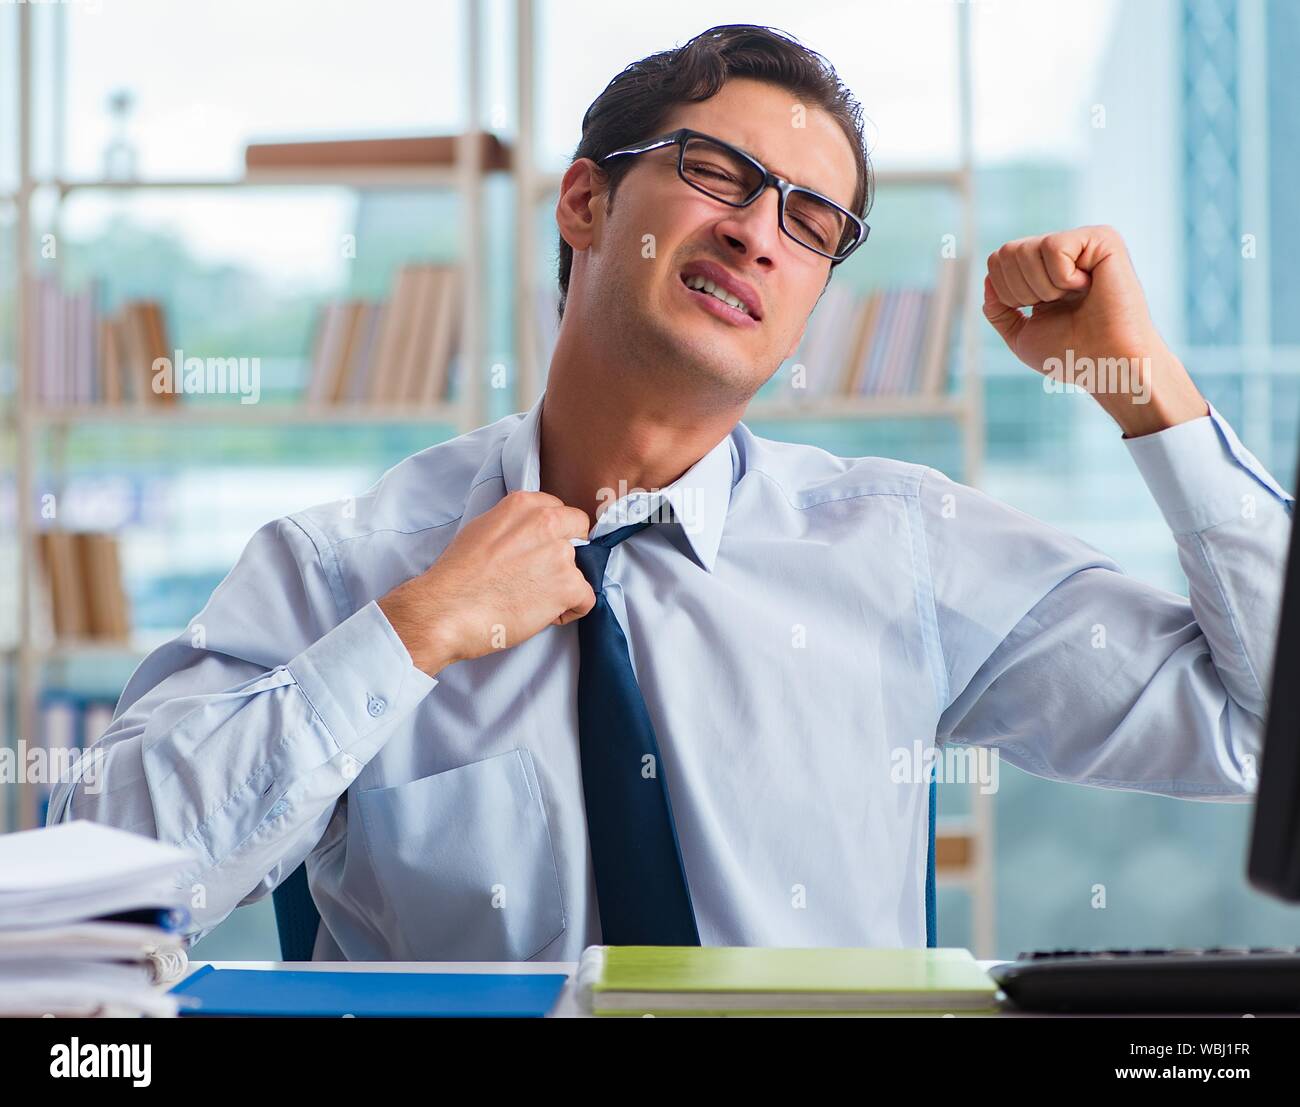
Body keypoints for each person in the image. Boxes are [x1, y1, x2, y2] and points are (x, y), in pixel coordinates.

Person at [50, 24, 1293, 960]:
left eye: (812, 223)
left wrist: (1143, 388)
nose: (760, 233)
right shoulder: (340, 568)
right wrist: (409, 635)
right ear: (585, 202)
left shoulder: (904, 547)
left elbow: (1261, 729)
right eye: (719, 172)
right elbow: (96, 887)